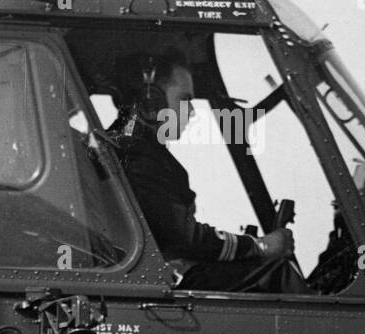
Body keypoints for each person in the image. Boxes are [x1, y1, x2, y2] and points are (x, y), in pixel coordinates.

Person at [109, 51, 295, 291]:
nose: (192, 112)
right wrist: (260, 246)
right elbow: (187, 238)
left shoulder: (130, 146)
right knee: (278, 275)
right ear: (151, 101)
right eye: (185, 100)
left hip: (152, 278)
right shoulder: (137, 155)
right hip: (155, 287)